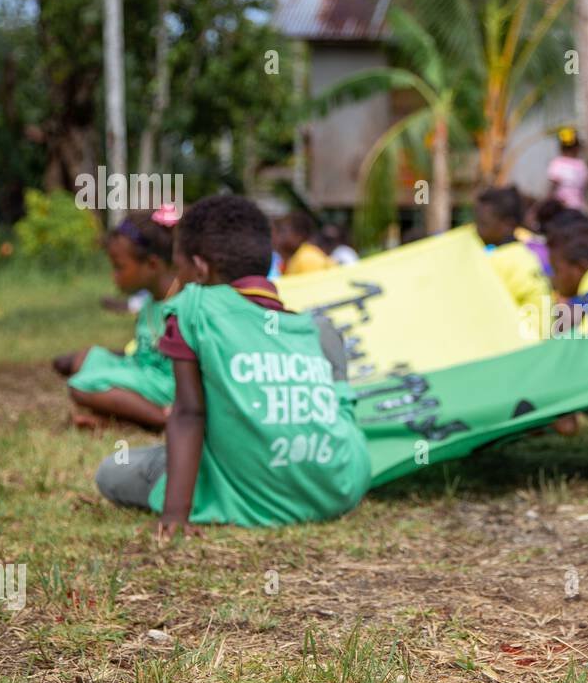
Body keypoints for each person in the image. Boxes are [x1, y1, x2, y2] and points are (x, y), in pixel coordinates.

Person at [93, 195, 371, 537]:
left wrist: (176, 514)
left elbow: (188, 414)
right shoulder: (316, 329)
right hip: (339, 488)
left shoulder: (194, 305)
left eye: (180, 267)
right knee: (327, 334)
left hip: (255, 488)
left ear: (200, 268)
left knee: (111, 472)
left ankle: (231, 489)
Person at [54, 212, 179, 430]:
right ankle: (123, 418)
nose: (114, 276)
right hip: (142, 370)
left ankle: (164, 420)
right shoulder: (150, 301)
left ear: (151, 264)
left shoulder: (183, 303)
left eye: (119, 267)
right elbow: (146, 349)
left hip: (168, 384)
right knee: (84, 359)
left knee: (80, 386)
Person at [475, 185, 551, 314]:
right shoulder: (525, 254)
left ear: (507, 224)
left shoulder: (497, 261)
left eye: (483, 224)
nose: (476, 230)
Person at [273, 211, 335, 276]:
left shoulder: (307, 258)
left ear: (299, 235)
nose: (280, 237)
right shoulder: (296, 257)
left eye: (284, 232)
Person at [546, 126, 588, 212]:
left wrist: (545, 203)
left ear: (561, 147)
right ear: (577, 147)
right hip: (579, 208)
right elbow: (585, 190)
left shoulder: (557, 163)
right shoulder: (582, 165)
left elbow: (552, 188)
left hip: (561, 208)